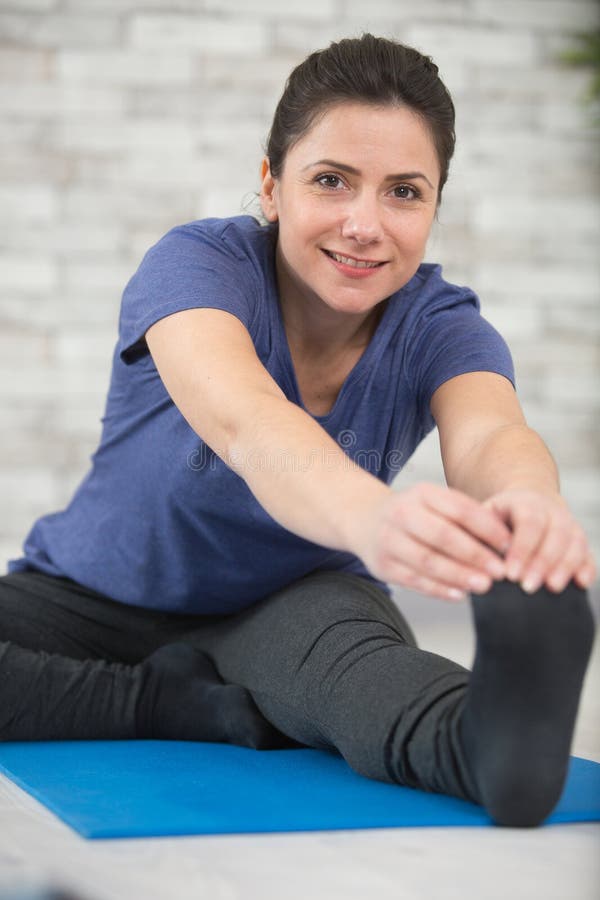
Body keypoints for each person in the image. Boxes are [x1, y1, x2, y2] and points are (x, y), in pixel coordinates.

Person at [0, 34, 595, 828]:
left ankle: (489, 743)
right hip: (94, 596)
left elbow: (490, 432)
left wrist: (529, 510)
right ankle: (172, 702)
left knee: (366, 685)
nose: (364, 224)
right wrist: (374, 518)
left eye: (404, 193)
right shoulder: (197, 267)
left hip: (294, 599)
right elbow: (245, 420)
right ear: (272, 186)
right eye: (331, 181)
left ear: (435, 208)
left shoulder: (439, 321)